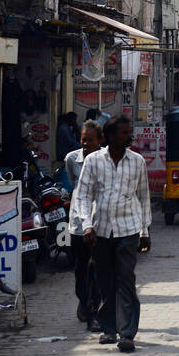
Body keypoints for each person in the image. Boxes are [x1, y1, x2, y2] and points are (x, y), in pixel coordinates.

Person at [71, 116, 151, 353]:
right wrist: (86, 225)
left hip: (129, 228)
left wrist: (145, 231)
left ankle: (127, 334)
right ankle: (109, 328)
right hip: (101, 230)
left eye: (130, 132)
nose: (130, 136)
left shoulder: (137, 161)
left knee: (126, 279)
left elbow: (143, 197)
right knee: (105, 281)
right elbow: (83, 196)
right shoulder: (94, 161)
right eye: (125, 133)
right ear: (111, 136)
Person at [65, 120, 104, 330]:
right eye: (83, 140)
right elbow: (75, 186)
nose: (86, 143)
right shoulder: (72, 159)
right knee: (80, 270)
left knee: (97, 268)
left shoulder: (106, 160)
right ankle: (83, 299)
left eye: (90, 140)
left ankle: (94, 312)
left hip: (100, 223)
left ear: (100, 141)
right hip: (78, 225)